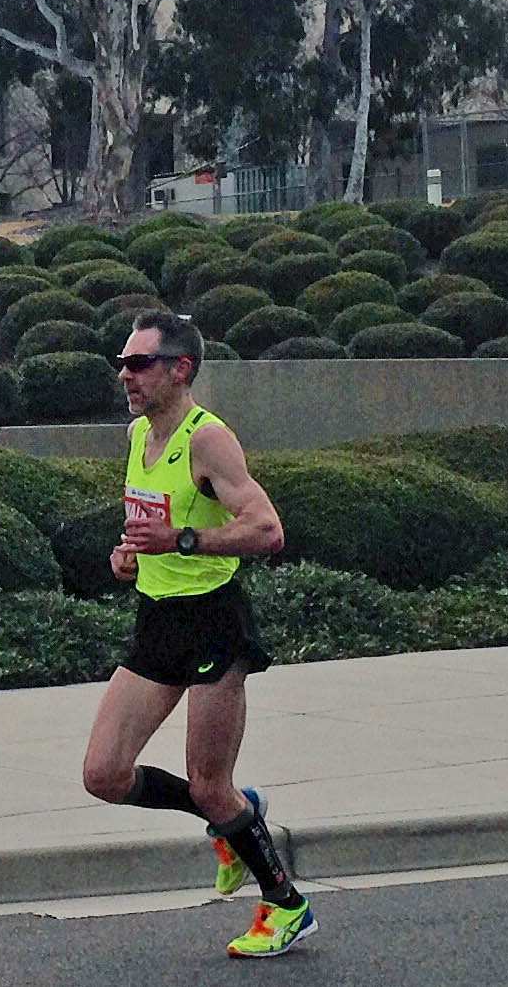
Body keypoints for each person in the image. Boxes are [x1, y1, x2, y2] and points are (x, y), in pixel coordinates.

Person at [77, 307, 313, 958]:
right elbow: (147, 533)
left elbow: (267, 531)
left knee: (211, 781)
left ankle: (286, 905)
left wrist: (185, 539)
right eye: (122, 362)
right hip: (157, 620)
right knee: (104, 774)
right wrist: (128, 557)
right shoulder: (137, 437)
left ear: (180, 369)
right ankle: (234, 818)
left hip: (213, 621)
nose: (125, 373)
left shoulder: (209, 439)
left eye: (139, 363)